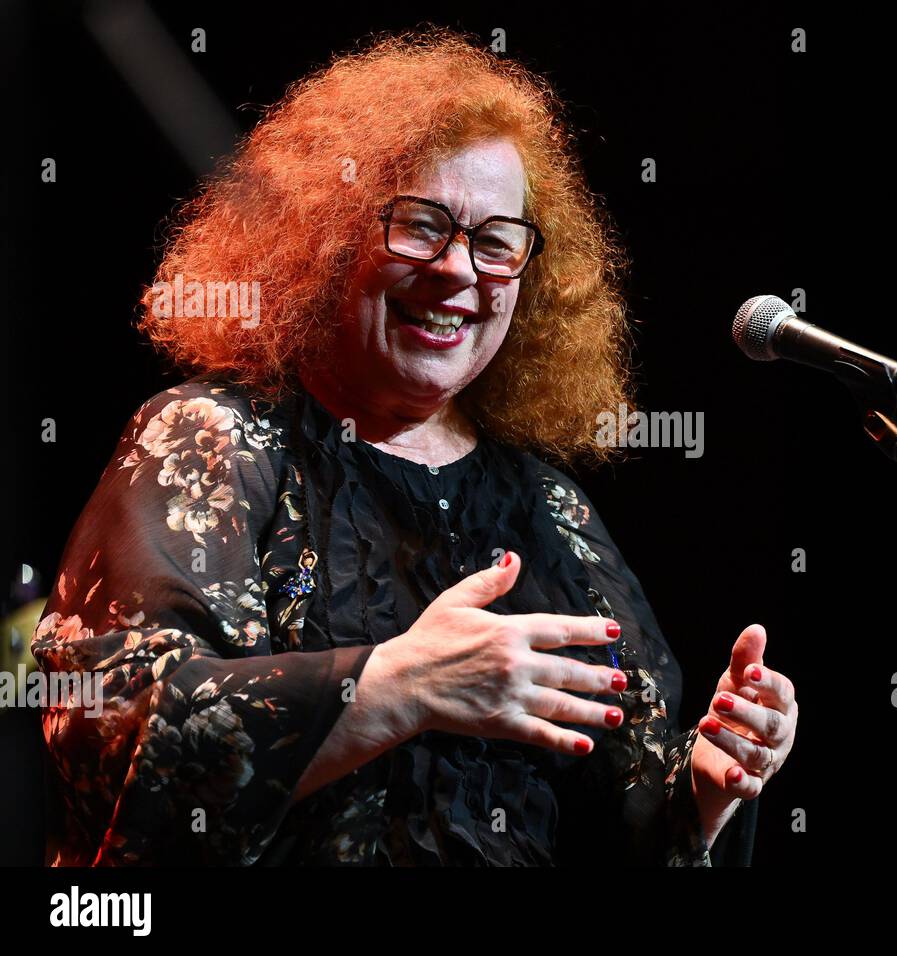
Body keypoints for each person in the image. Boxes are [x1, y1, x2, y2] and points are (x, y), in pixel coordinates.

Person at [31, 29, 797, 866]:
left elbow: (624, 812)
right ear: (322, 244)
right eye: (421, 226)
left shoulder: (549, 504)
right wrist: (403, 687)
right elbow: (110, 730)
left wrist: (708, 790)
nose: (457, 269)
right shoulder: (212, 438)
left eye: (496, 241)